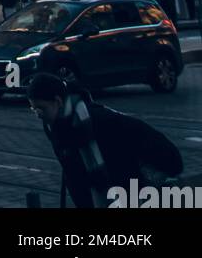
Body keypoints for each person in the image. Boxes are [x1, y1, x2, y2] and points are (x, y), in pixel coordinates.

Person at [26, 71, 183, 208]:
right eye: (33, 108)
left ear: (58, 102)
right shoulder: (53, 127)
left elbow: (124, 164)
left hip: (146, 175)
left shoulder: (98, 121)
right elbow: (74, 176)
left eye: (41, 108)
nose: (37, 114)